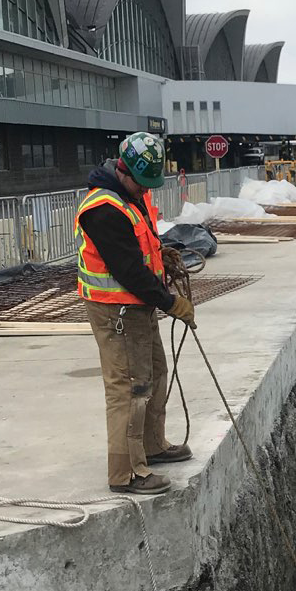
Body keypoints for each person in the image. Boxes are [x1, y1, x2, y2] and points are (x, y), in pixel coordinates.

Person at [75, 132, 195, 495]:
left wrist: (165, 256)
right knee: (129, 389)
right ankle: (127, 472)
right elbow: (128, 269)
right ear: (124, 171)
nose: (146, 191)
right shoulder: (103, 210)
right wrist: (171, 302)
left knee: (156, 372)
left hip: (136, 307)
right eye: (142, 184)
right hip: (117, 311)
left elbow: (141, 246)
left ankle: (153, 445)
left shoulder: (130, 196)